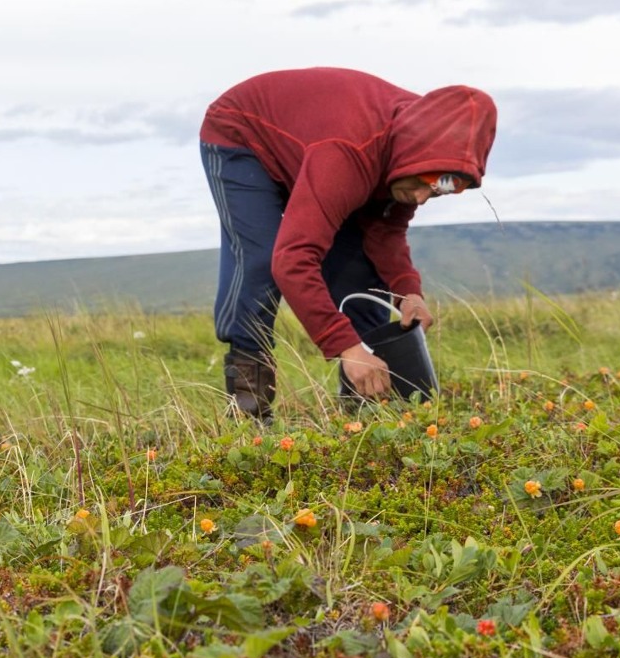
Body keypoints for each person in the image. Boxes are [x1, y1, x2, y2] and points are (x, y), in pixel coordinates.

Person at [200, 67, 497, 419]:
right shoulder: (347, 154)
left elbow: (385, 233)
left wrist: (407, 292)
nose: (419, 198)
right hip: (244, 136)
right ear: (410, 153)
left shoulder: (421, 153)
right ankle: (249, 414)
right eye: (421, 182)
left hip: (318, 150)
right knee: (263, 260)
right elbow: (293, 260)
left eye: (440, 189)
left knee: (359, 271)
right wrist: (344, 346)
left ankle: (362, 414)